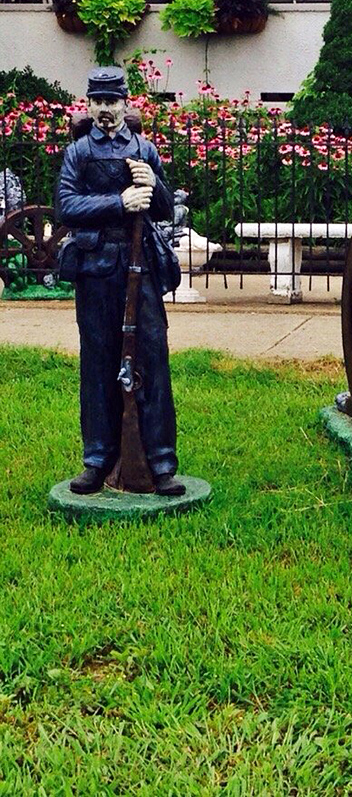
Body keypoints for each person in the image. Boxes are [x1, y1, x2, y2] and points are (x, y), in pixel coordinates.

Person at [57, 67, 185, 496]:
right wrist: (119, 200)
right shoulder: (78, 153)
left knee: (151, 358)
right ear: (89, 105)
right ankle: (96, 458)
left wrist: (153, 186)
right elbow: (66, 205)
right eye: (99, 102)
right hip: (97, 269)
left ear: (126, 104)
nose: (106, 110)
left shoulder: (144, 149)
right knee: (98, 363)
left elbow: (165, 210)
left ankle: (160, 461)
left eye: (113, 102)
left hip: (139, 269)